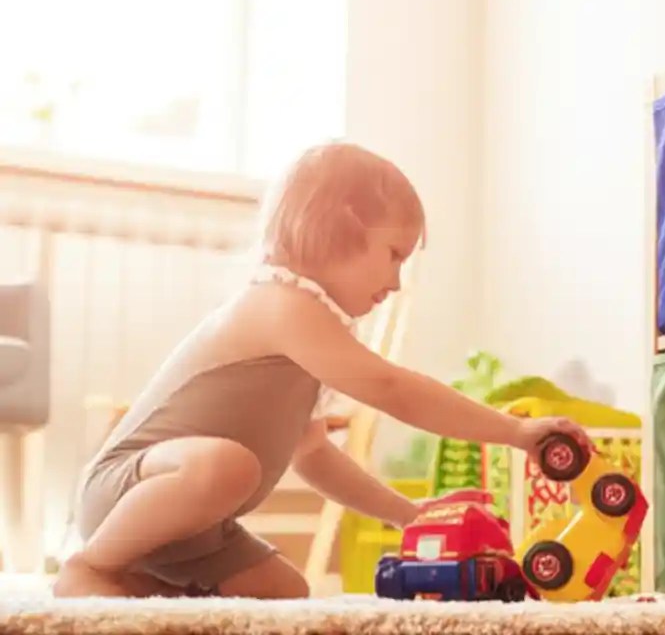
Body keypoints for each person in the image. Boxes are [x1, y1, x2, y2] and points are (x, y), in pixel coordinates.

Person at [52, 142, 590, 599]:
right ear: (338, 229)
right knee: (230, 465)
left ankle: (143, 587)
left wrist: (407, 514)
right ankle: (91, 566)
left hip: (195, 531)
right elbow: (392, 388)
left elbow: (312, 454)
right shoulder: (280, 305)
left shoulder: (312, 333)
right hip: (124, 492)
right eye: (393, 254)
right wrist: (515, 432)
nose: (397, 281)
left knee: (289, 594)